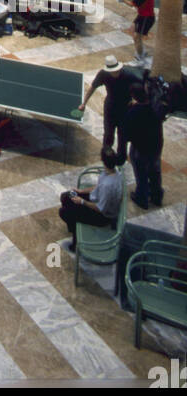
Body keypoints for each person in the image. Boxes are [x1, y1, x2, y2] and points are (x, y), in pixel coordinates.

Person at [75, 54, 139, 165]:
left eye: (117, 70)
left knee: (123, 135)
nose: (115, 73)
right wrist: (84, 103)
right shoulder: (103, 74)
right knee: (108, 133)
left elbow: (142, 86)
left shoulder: (128, 75)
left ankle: (120, 160)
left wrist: (136, 100)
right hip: (110, 107)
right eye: (113, 71)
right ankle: (106, 159)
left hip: (125, 109)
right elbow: (93, 87)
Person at [58, 147, 123, 252]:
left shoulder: (108, 185)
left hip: (101, 216)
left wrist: (82, 201)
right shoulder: (112, 173)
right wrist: (81, 191)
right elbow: (98, 187)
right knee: (66, 196)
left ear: (102, 160)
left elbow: (100, 208)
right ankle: (72, 220)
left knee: (64, 212)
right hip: (94, 199)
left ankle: (75, 242)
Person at [124, 82, 164, 210]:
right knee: (155, 170)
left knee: (141, 172)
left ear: (133, 97)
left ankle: (142, 198)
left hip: (140, 148)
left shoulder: (133, 113)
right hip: (156, 145)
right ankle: (157, 197)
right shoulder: (155, 106)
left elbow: (127, 135)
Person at [115, 0, 155, 66]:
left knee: (138, 37)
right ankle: (141, 51)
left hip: (146, 18)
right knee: (132, 32)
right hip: (141, 15)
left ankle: (140, 57)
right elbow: (137, 1)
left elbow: (131, 4)